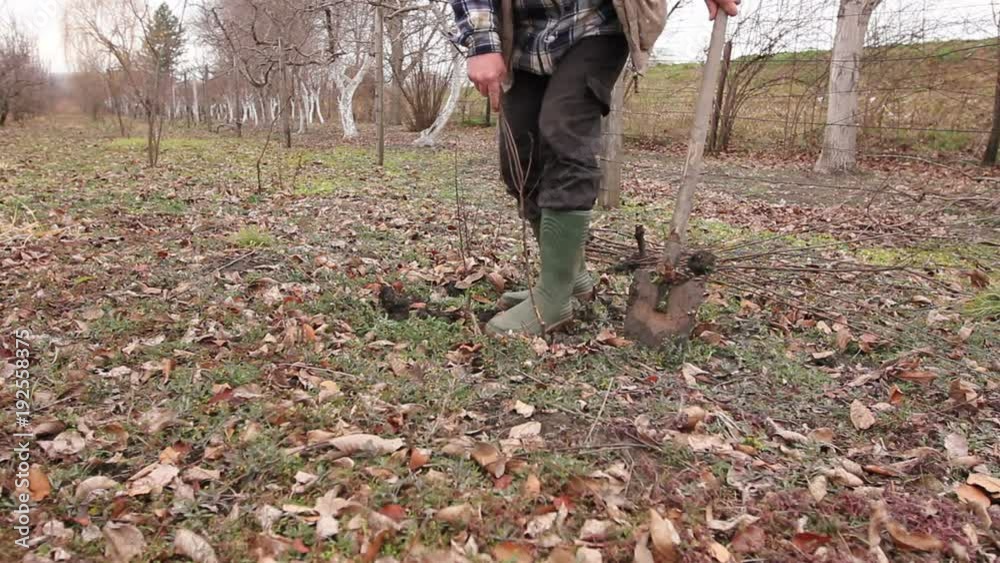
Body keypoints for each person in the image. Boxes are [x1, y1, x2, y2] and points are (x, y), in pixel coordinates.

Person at [450, 0, 741, 336]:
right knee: (519, 160)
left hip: (596, 18)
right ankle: (568, 278)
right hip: (522, 28)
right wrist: (482, 40)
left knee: (563, 129)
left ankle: (553, 298)